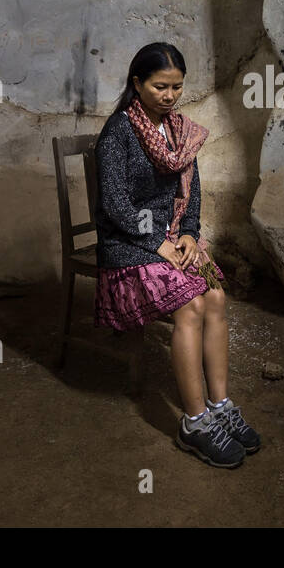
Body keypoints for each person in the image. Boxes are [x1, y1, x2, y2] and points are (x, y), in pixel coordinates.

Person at [93, 42, 261, 469]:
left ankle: (221, 404)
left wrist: (188, 234)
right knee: (190, 305)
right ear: (137, 83)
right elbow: (114, 203)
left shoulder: (179, 131)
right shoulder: (118, 133)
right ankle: (194, 422)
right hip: (126, 243)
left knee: (217, 296)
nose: (169, 96)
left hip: (169, 237)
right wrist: (158, 242)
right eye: (159, 86)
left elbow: (193, 193)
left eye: (176, 87)